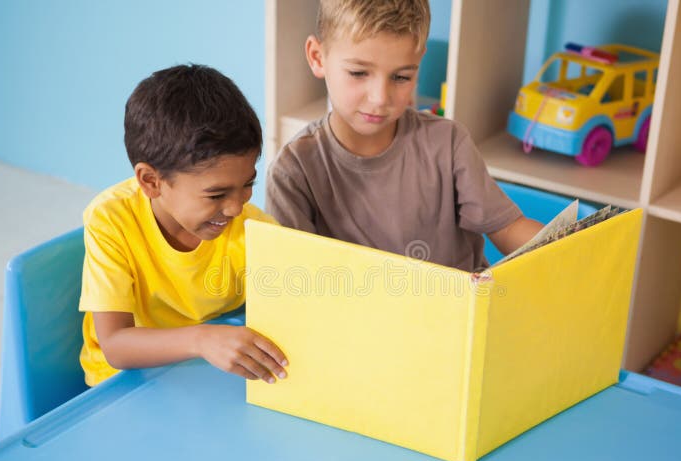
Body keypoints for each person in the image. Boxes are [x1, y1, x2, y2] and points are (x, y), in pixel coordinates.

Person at [266, 0, 543, 272]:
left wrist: (572, 249)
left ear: (418, 61)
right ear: (317, 57)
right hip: (356, 315)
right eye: (359, 73)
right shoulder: (293, 171)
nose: (379, 98)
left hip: (456, 312)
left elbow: (507, 228)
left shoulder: (448, 143)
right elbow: (292, 282)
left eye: (400, 77)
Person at [79, 64, 288, 387]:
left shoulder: (255, 230)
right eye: (216, 194)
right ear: (151, 181)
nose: (236, 206)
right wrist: (202, 340)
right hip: (123, 383)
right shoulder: (111, 219)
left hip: (206, 375)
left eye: (248, 184)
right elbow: (115, 346)